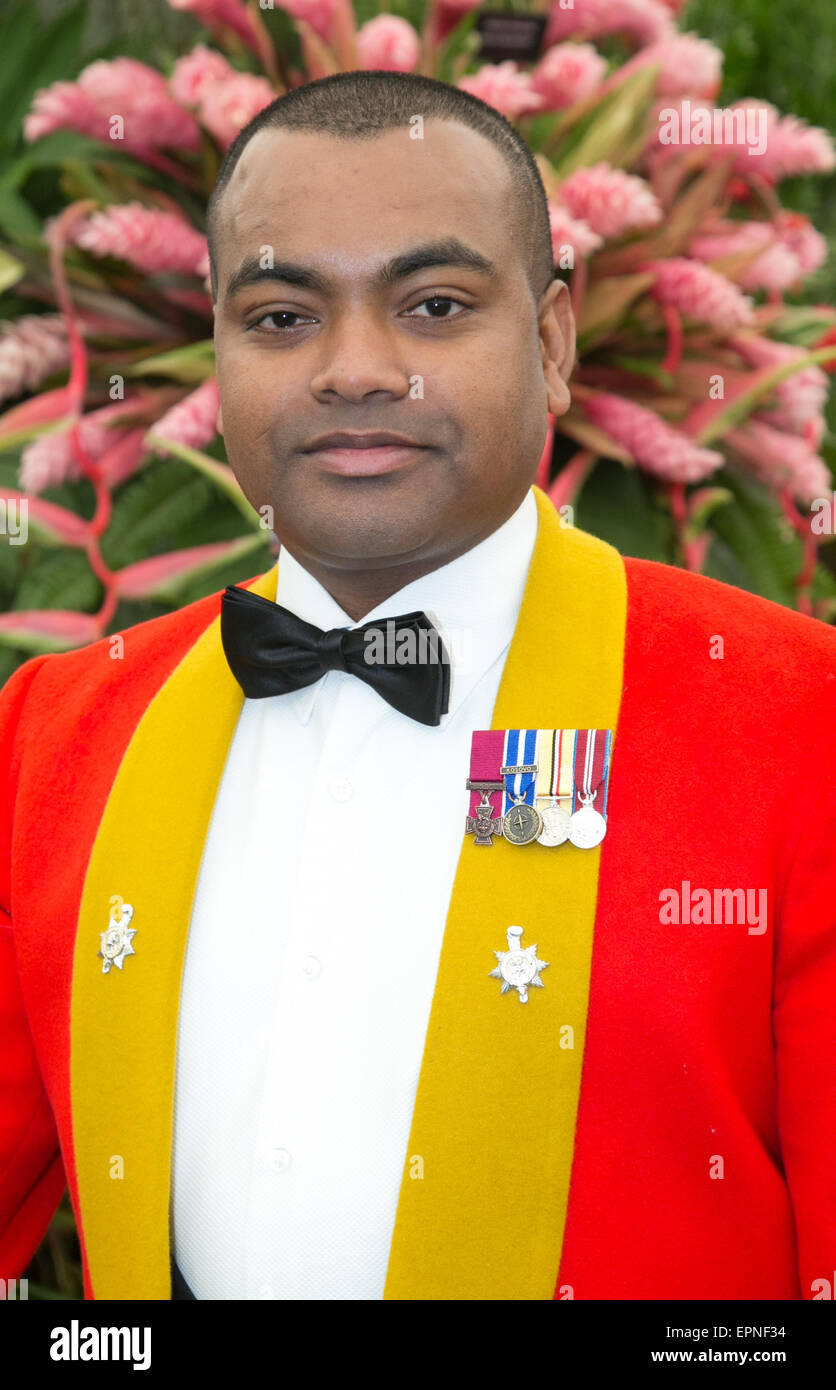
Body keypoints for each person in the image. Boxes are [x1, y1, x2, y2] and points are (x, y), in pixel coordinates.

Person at [1, 70, 834, 1303]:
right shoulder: (54, 733)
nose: (354, 369)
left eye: (433, 305)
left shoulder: (796, 721)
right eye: (282, 316)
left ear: (549, 343)